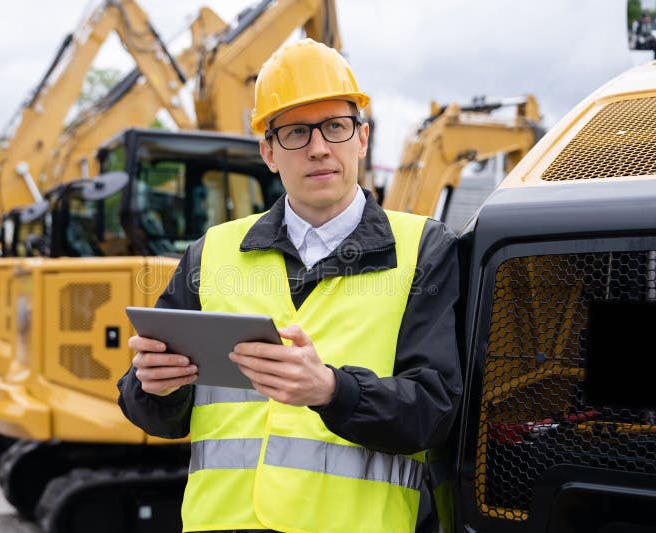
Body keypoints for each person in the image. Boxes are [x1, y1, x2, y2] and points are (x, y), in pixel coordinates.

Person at [118, 38, 462, 533]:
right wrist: (154, 387)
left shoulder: (425, 251)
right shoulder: (211, 252)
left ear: (361, 138)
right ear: (269, 152)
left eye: (336, 127)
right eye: (297, 132)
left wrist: (331, 389)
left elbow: (436, 413)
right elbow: (155, 412)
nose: (319, 147)